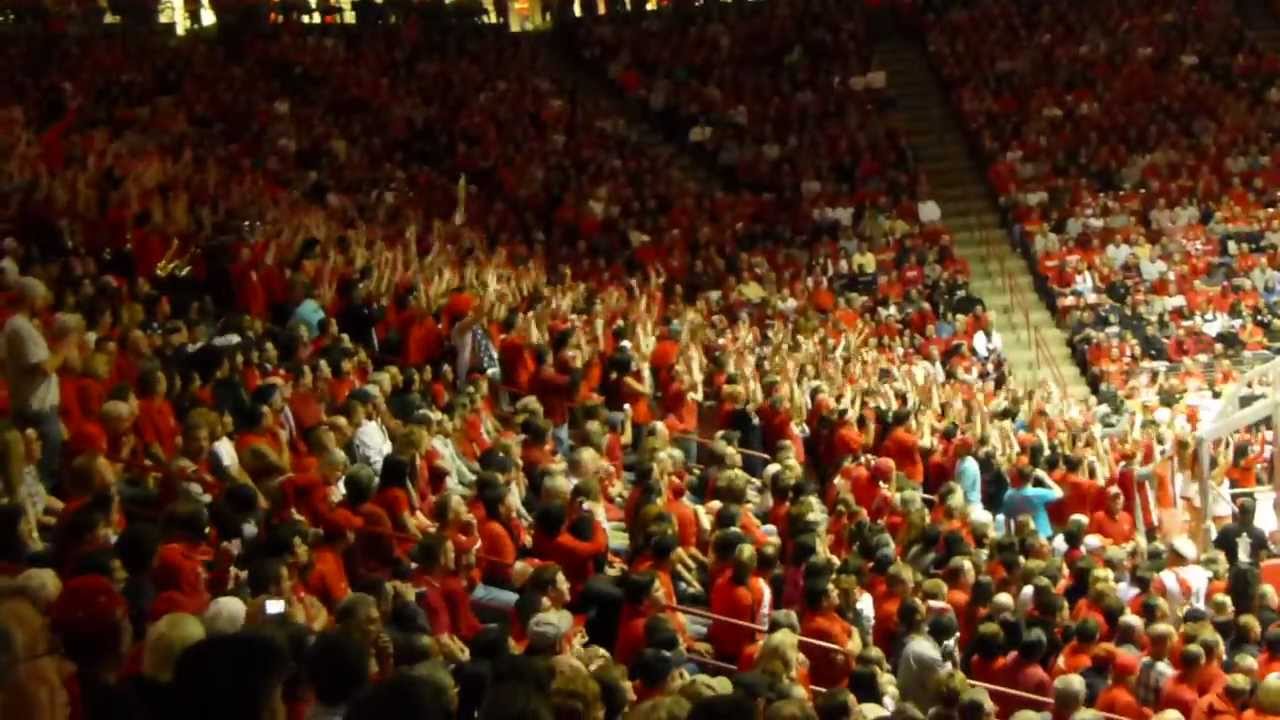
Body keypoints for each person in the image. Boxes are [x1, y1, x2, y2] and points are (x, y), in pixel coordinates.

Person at [4, 278, 63, 487]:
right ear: (31, 299)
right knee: (39, 473)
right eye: (41, 298)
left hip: (38, 408)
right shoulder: (19, 326)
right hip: (35, 408)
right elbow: (44, 367)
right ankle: (34, 510)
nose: (44, 303)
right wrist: (64, 349)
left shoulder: (25, 326)